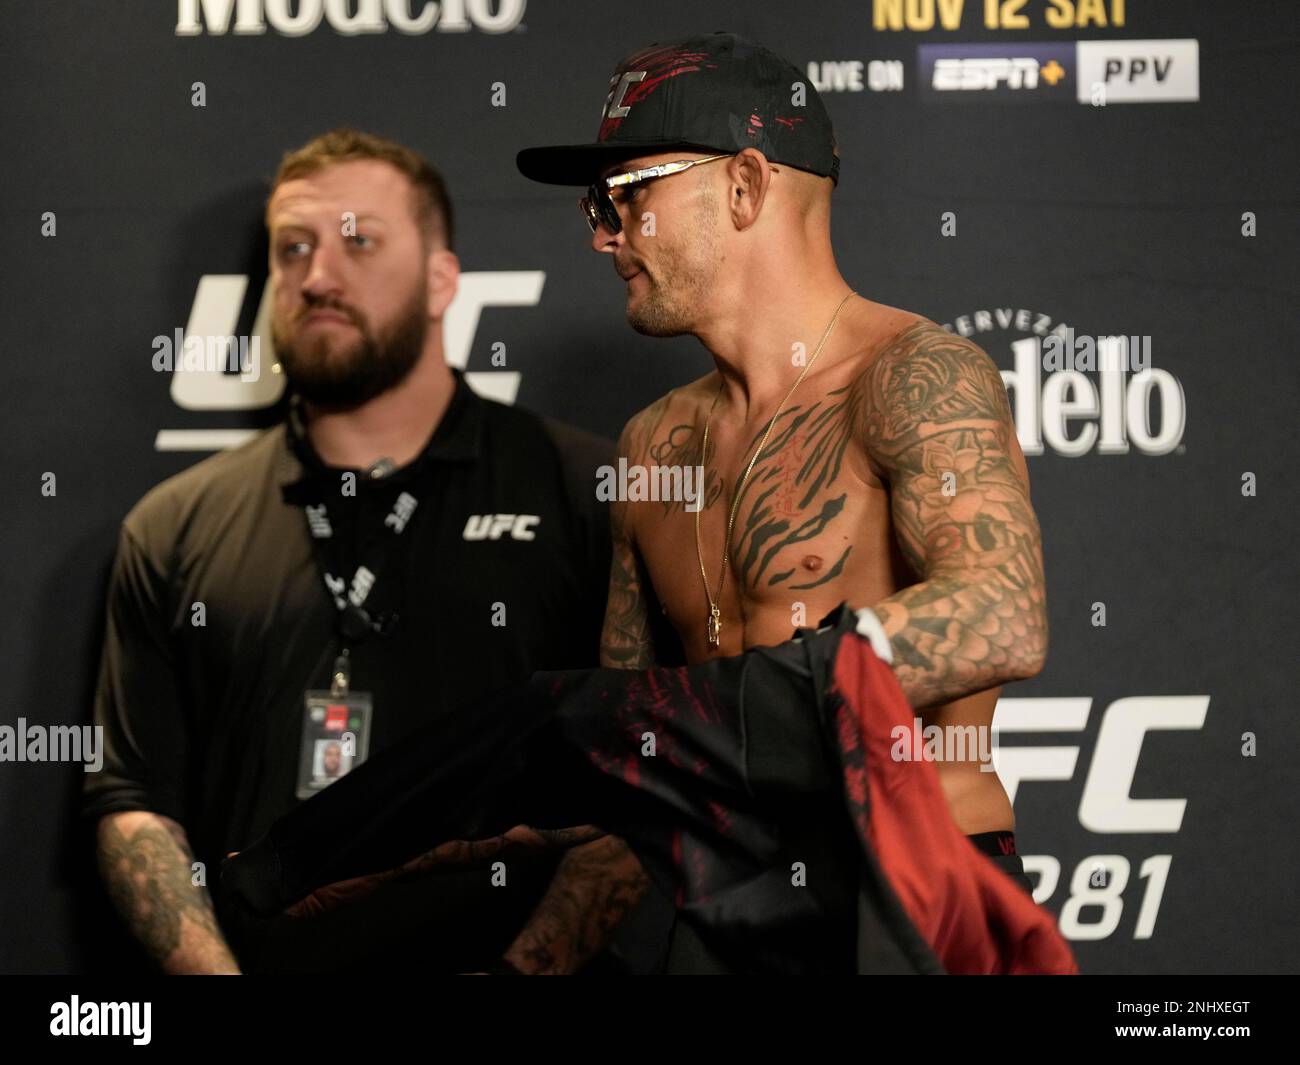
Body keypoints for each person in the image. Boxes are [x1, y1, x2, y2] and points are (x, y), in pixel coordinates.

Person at [84, 128, 643, 975]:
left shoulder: (590, 490)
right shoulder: (174, 525)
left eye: (359, 241)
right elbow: (134, 801)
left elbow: (643, 779)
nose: (317, 275)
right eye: (293, 248)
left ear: (443, 281)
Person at [515, 32, 1047, 896]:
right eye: (595, 207)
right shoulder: (653, 444)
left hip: (912, 887)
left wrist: (731, 704)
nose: (604, 236)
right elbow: (627, 761)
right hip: (720, 902)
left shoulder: (912, 376)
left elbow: (1005, 613)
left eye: (625, 196)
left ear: (744, 185)